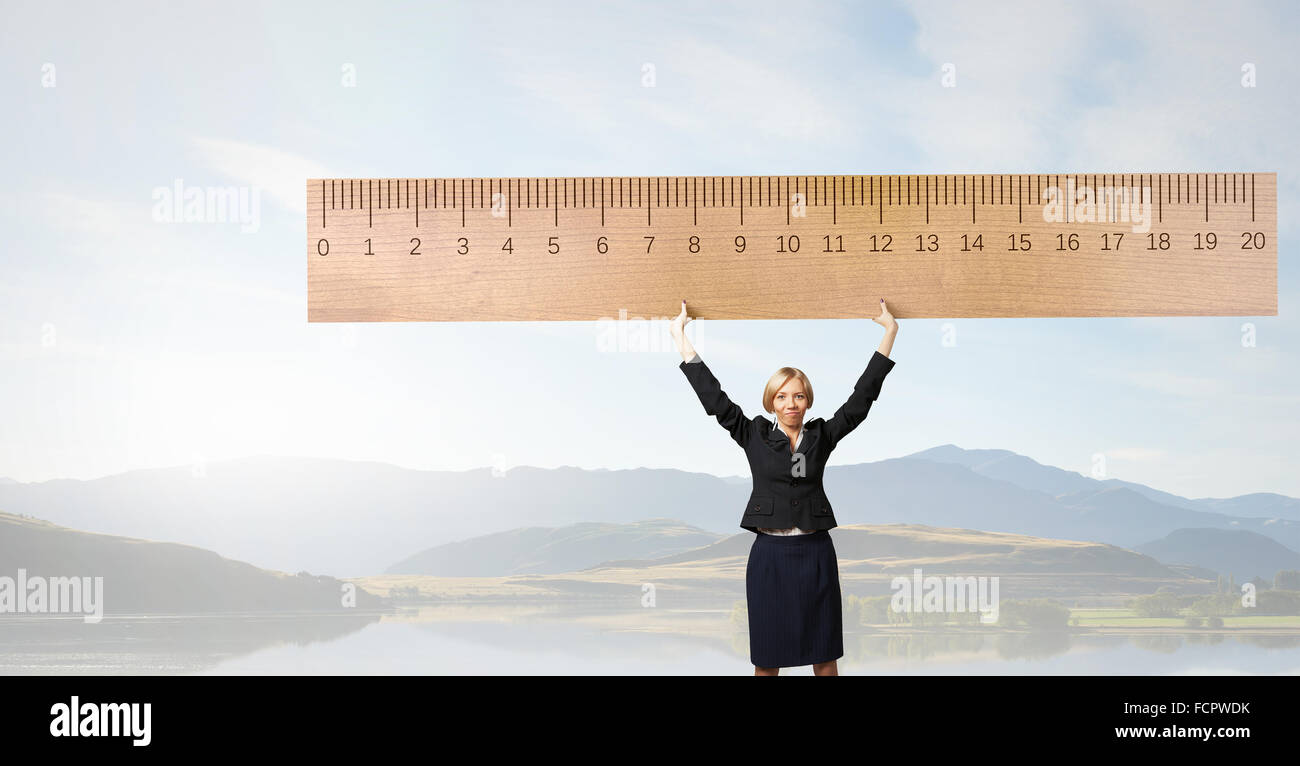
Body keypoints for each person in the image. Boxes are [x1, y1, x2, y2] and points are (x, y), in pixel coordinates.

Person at [670, 298, 898, 675]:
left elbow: (861, 400)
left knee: (825, 658)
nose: (790, 403)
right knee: (767, 660)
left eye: (798, 395)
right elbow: (714, 398)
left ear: (807, 401)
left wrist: (889, 333)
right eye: (781, 396)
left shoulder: (823, 435)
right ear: (771, 402)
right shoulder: (752, 434)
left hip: (816, 555)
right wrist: (679, 337)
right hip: (770, 560)